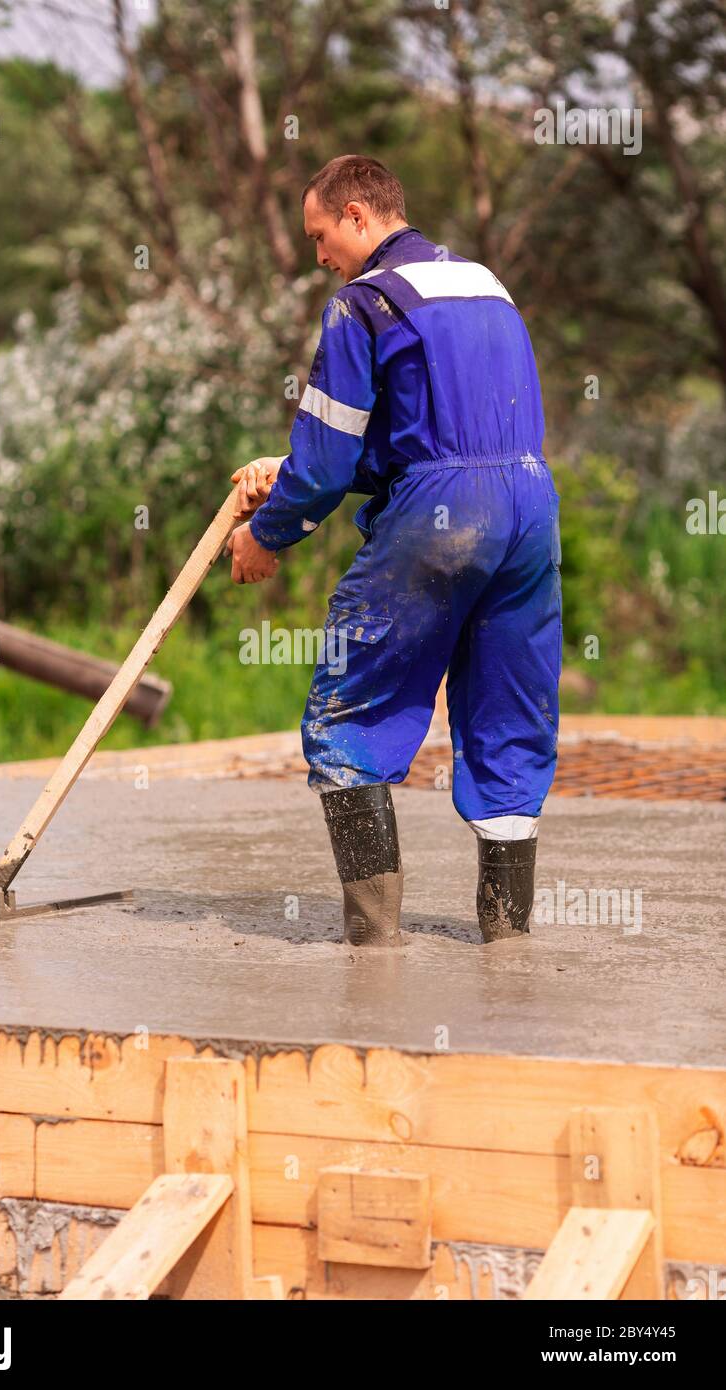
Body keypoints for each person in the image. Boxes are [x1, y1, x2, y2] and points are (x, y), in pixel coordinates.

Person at [226, 154, 562, 947]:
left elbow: (331, 465)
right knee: (508, 719)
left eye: (319, 236)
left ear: (356, 215)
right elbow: (431, 433)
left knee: (351, 708)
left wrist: (265, 533)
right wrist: (301, 468)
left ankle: (375, 954)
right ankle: (506, 949)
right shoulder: (487, 285)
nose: (319, 257)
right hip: (531, 505)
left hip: (442, 516)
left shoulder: (361, 304)